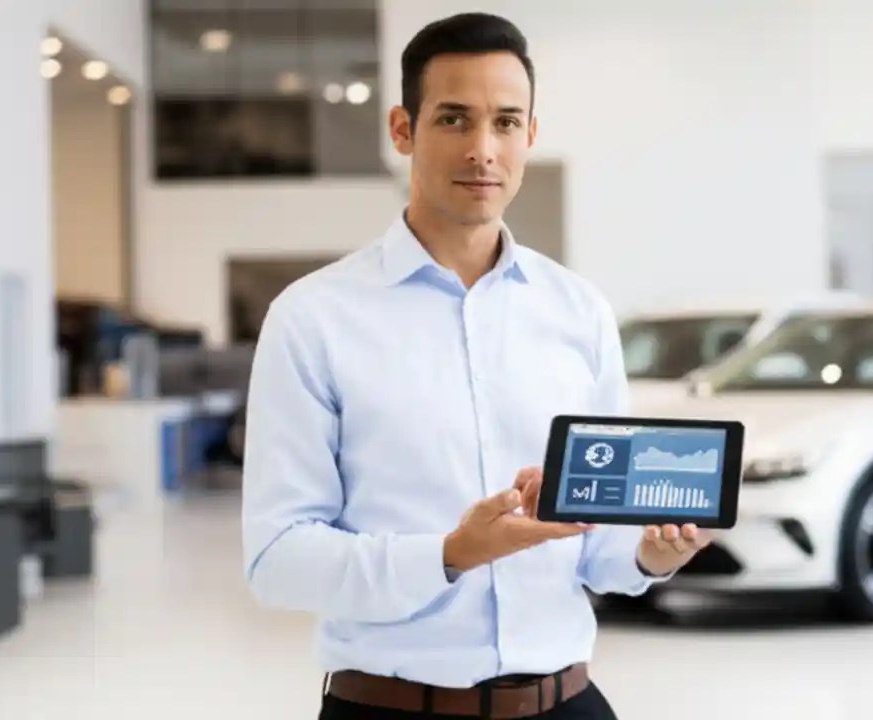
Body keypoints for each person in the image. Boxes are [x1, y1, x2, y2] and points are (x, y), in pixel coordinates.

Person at [242, 13, 711, 719]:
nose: (483, 150)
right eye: (455, 120)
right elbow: (277, 561)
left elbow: (603, 550)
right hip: (392, 708)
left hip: (568, 703)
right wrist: (452, 553)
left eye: (505, 122)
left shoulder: (578, 312)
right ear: (403, 130)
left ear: (530, 134)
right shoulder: (314, 318)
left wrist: (654, 555)